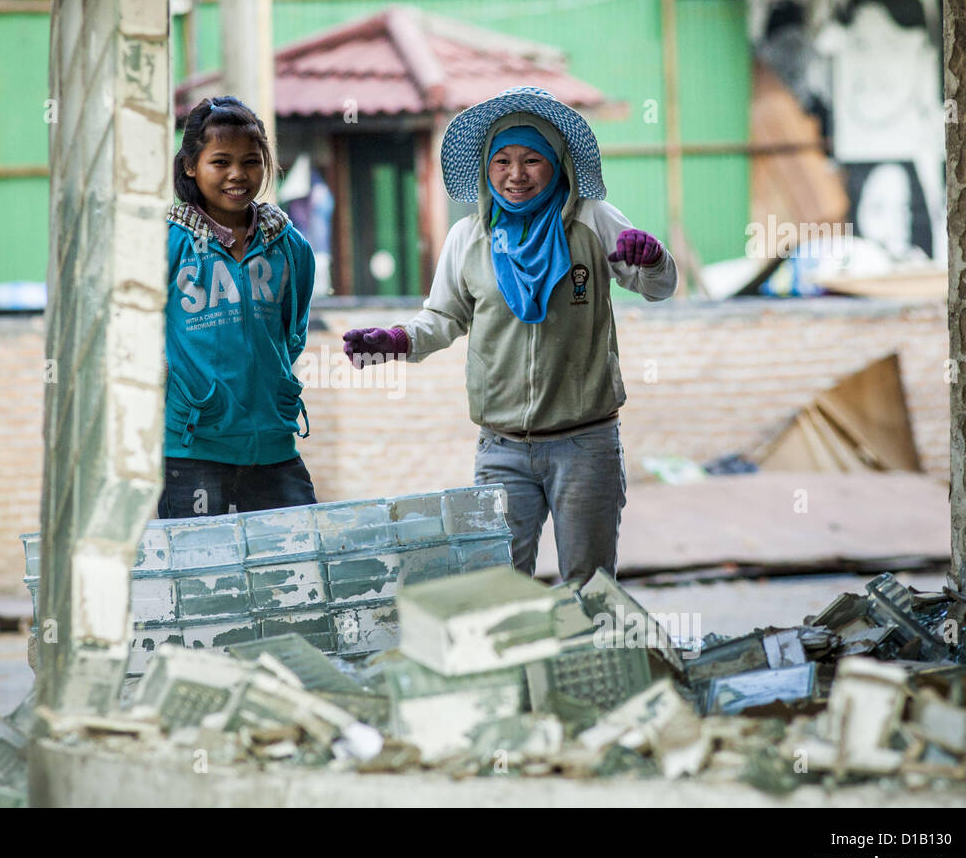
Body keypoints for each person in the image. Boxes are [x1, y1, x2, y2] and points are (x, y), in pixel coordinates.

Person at [343, 86, 678, 585]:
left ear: (557, 164)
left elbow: (659, 289)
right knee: (500, 586)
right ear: (486, 168)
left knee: (589, 586)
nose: (515, 175)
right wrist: (395, 341)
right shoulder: (468, 237)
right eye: (501, 161)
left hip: (585, 444)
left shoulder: (592, 221)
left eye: (532, 160)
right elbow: (442, 319)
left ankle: (586, 663)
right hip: (501, 449)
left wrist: (652, 258)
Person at [161, 96, 318, 518]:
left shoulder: (291, 246)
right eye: (220, 161)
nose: (237, 174)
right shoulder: (165, 243)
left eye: (251, 161)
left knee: (295, 571)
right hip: (192, 450)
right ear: (191, 166)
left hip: (273, 446)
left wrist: (275, 393)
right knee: (203, 577)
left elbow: (292, 334)